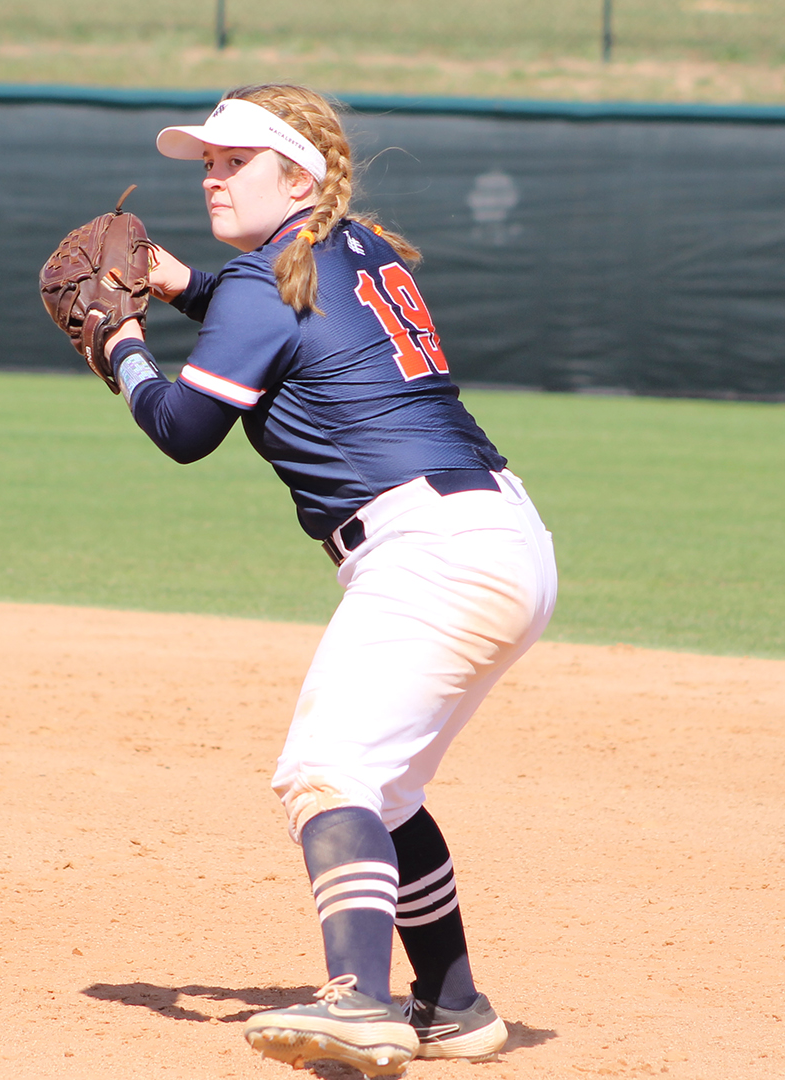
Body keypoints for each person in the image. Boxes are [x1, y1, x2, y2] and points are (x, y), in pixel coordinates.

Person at [102, 84, 557, 1077]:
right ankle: (454, 1004)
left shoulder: (266, 283)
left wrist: (121, 350)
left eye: (235, 162)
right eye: (208, 164)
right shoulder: (358, 251)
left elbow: (185, 430)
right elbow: (273, 309)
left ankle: (359, 1000)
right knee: (386, 785)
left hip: (428, 550)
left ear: (298, 177)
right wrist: (181, 285)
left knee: (327, 772)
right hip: (499, 534)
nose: (212, 178)